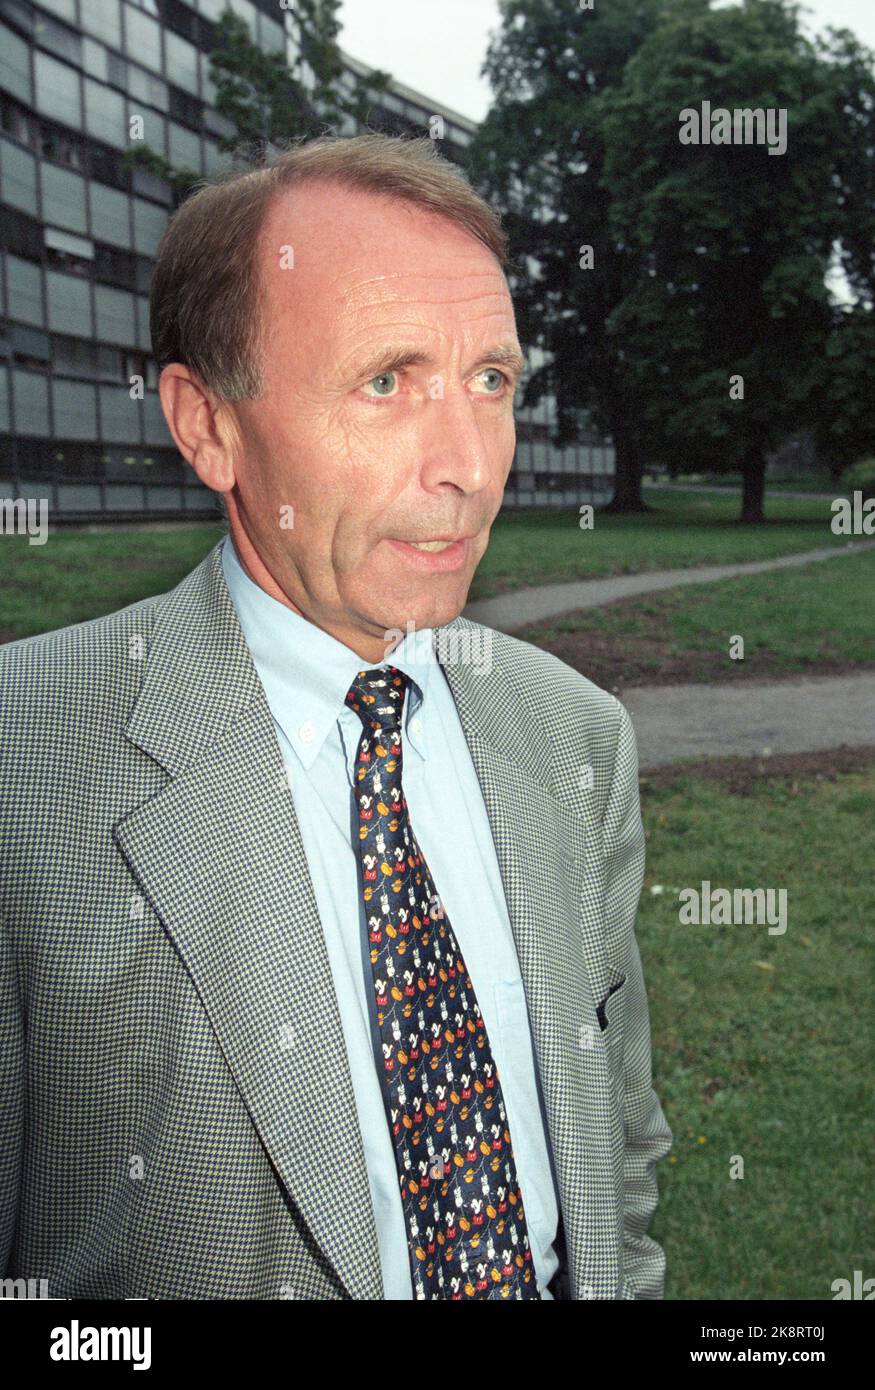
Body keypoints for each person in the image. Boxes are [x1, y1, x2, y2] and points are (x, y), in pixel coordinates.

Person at [0, 133, 672, 1300]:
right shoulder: (21, 761)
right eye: (385, 381)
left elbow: (616, 1145)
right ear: (207, 425)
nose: (468, 464)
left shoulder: (576, 735)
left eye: (491, 382)